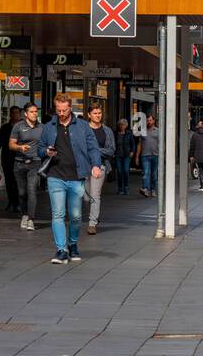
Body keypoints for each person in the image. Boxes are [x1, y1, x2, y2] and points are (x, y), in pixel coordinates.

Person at [38, 94, 102, 264]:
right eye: (58, 110)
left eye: (64, 110)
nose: (61, 113)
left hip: (76, 177)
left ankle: (73, 244)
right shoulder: (49, 127)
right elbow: (39, 149)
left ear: (70, 108)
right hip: (55, 176)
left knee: (75, 215)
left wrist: (96, 165)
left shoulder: (82, 126)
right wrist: (46, 152)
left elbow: (93, 148)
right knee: (58, 214)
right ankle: (61, 250)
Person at [8, 102, 44, 231]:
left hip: (35, 163)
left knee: (32, 190)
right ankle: (24, 214)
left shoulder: (41, 127)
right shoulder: (18, 126)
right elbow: (11, 145)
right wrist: (20, 147)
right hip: (19, 163)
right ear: (26, 114)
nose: (35, 114)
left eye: (36, 112)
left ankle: (31, 219)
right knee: (22, 192)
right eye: (32, 112)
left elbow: (45, 144)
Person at [83, 104, 115, 235]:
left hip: (101, 166)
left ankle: (92, 223)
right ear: (89, 115)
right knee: (85, 197)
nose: (98, 115)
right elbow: (79, 148)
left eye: (99, 113)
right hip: (85, 166)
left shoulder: (107, 131)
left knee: (95, 194)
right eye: (95, 113)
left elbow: (111, 150)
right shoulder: (83, 130)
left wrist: (94, 151)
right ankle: (94, 215)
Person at [0, 106, 23, 213]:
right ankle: (11, 202)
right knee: (9, 181)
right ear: (10, 114)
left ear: (20, 114)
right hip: (7, 158)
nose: (14, 115)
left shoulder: (24, 127)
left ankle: (18, 203)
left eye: (16, 112)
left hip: (20, 158)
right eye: (12, 113)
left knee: (18, 181)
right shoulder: (5, 128)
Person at [136, 115, 160, 197]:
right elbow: (139, 144)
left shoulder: (158, 131)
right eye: (147, 121)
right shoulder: (143, 131)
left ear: (153, 121)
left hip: (155, 155)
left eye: (150, 120)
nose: (148, 122)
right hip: (145, 155)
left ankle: (153, 190)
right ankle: (146, 189)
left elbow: (162, 143)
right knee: (146, 173)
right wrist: (137, 156)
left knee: (154, 174)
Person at [113, 118, 135, 196]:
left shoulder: (129, 133)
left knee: (125, 171)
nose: (122, 126)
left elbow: (132, 143)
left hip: (126, 155)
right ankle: (120, 188)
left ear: (126, 126)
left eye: (123, 125)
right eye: (120, 125)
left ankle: (126, 187)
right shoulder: (115, 134)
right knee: (119, 172)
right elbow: (113, 144)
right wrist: (113, 153)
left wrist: (132, 152)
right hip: (118, 155)